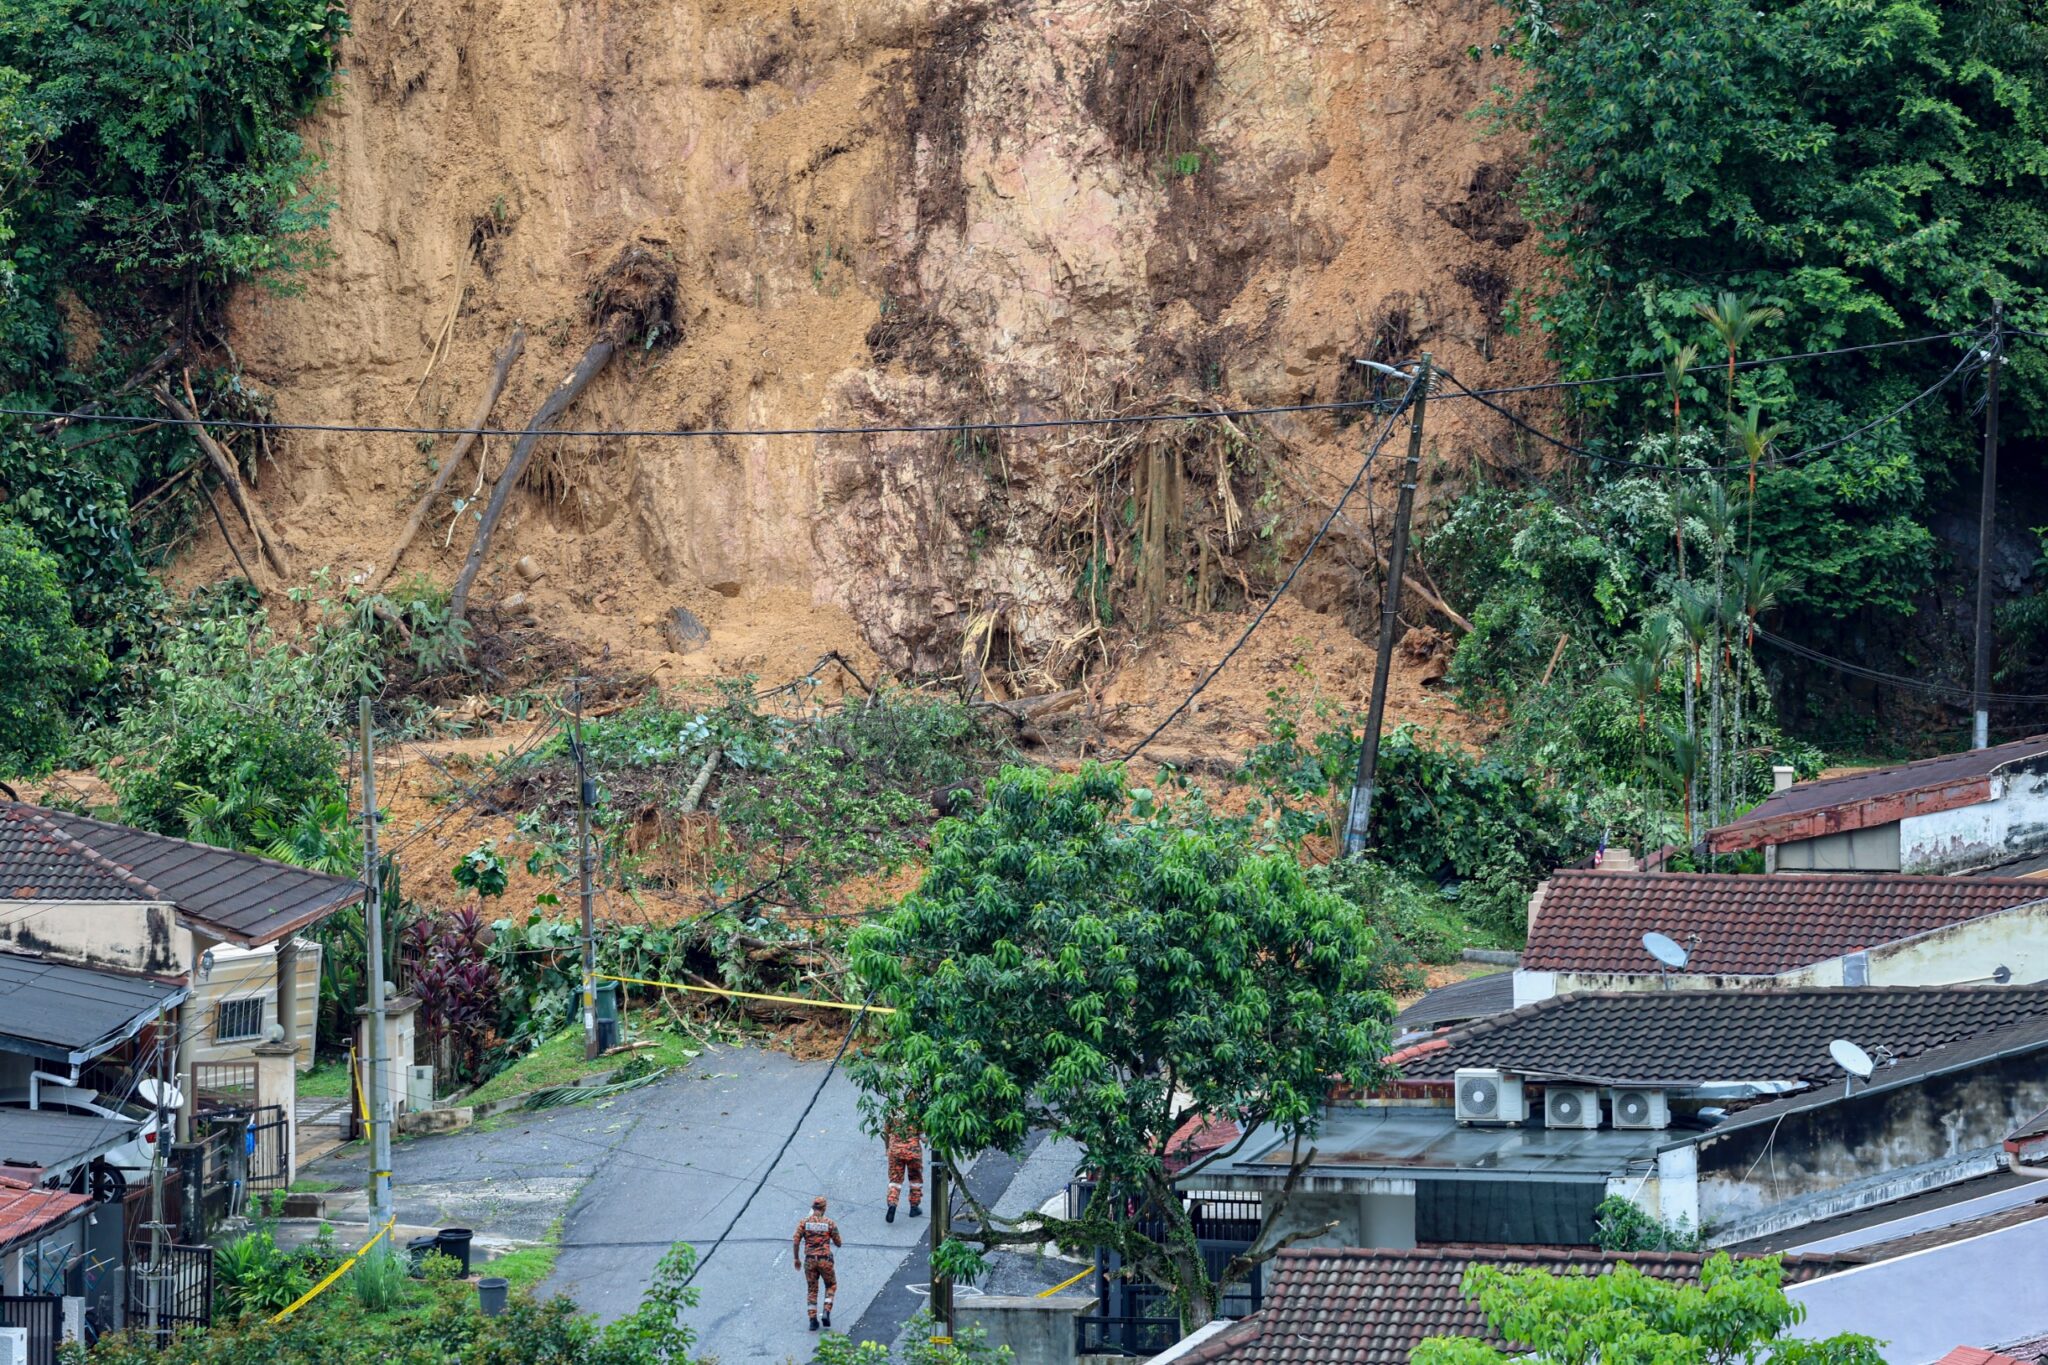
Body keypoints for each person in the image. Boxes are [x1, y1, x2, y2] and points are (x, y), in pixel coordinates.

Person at [793, 1195, 842, 1330]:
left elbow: (796, 1241)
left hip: (809, 1261)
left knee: (812, 1289)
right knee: (831, 1285)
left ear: (813, 1207)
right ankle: (826, 1310)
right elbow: (838, 1243)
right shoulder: (829, 1223)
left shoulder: (804, 1222)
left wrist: (796, 1258)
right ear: (824, 1208)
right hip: (825, 1260)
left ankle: (812, 1320)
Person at [884, 1112, 924, 1223]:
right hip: (913, 1152)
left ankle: (892, 1203)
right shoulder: (917, 1113)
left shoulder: (892, 1112)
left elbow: (886, 1132)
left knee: (895, 1180)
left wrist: (887, 1147)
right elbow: (924, 1138)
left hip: (895, 1152)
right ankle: (914, 1207)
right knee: (915, 1179)